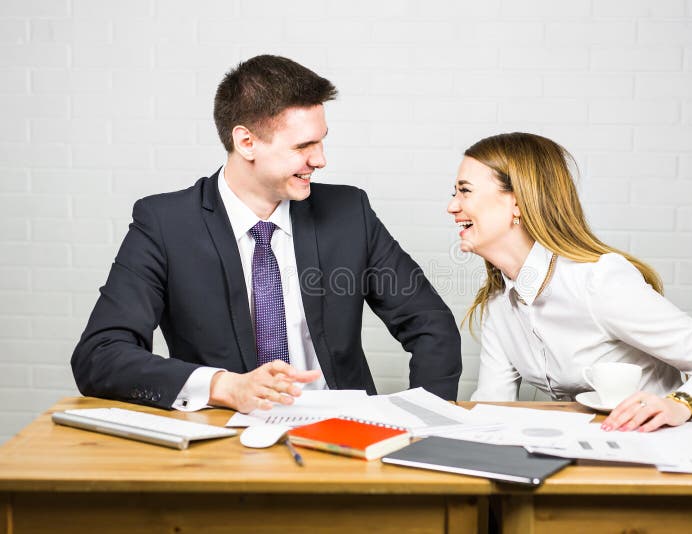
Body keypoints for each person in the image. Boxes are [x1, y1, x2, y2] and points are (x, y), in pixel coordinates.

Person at [72, 54, 461, 414]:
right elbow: (100, 354)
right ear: (246, 142)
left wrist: (424, 421)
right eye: (303, 145)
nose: (320, 159)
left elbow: (431, 324)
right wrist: (223, 386)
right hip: (221, 439)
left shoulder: (349, 213)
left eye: (322, 140)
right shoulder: (165, 224)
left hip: (341, 436)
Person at [447, 132, 692, 432]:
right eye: (454, 194)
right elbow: (493, 408)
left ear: (517, 203)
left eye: (465, 191)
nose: (453, 207)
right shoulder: (499, 303)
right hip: (587, 449)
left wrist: (681, 403)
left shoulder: (597, 281)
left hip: (657, 449)